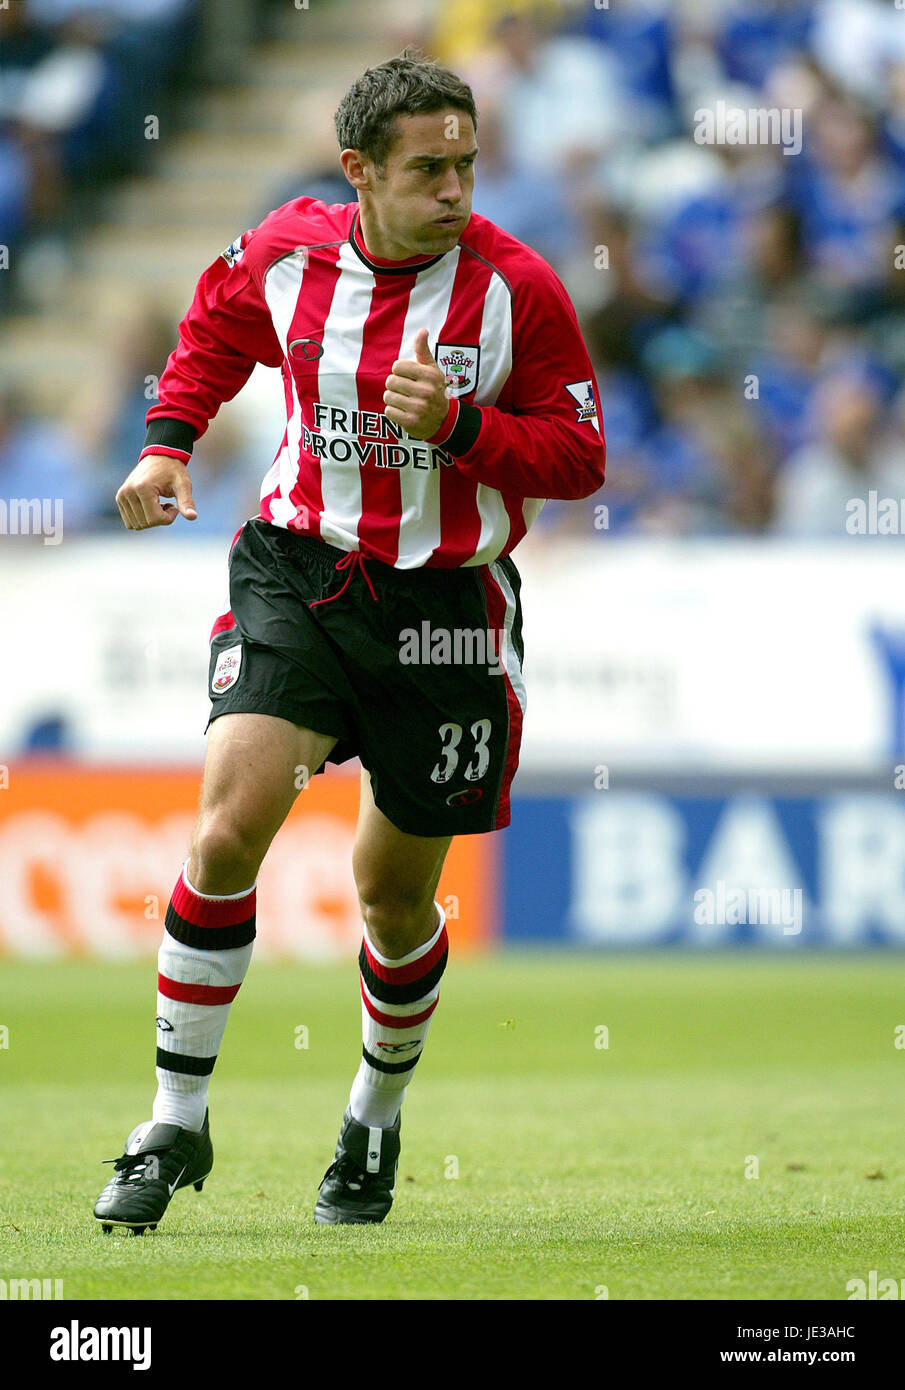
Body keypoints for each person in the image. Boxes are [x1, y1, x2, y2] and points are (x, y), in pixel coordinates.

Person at [94, 47, 605, 1232]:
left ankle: (371, 1119)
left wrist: (469, 426)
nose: (455, 190)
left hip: (447, 612)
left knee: (389, 899)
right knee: (227, 825)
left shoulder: (515, 288)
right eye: (428, 169)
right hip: (302, 570)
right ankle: (173, 1119)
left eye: (467, 165)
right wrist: (166, 440)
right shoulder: (288, 249)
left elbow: (579, 457)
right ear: (359, 171)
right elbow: (217, 325)